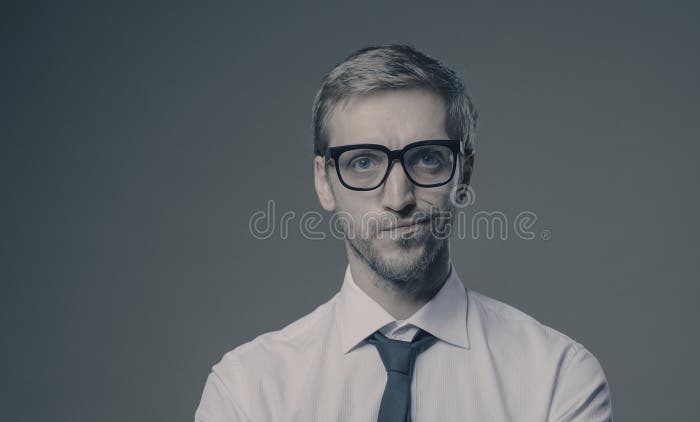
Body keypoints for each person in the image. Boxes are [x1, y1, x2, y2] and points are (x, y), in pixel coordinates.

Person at [195, 44, 613, 422]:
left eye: (428, 158)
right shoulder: (247, 391)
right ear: (324, 181)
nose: (398, 197)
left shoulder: (557, 378)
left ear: (463, 174)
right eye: (363, 162)